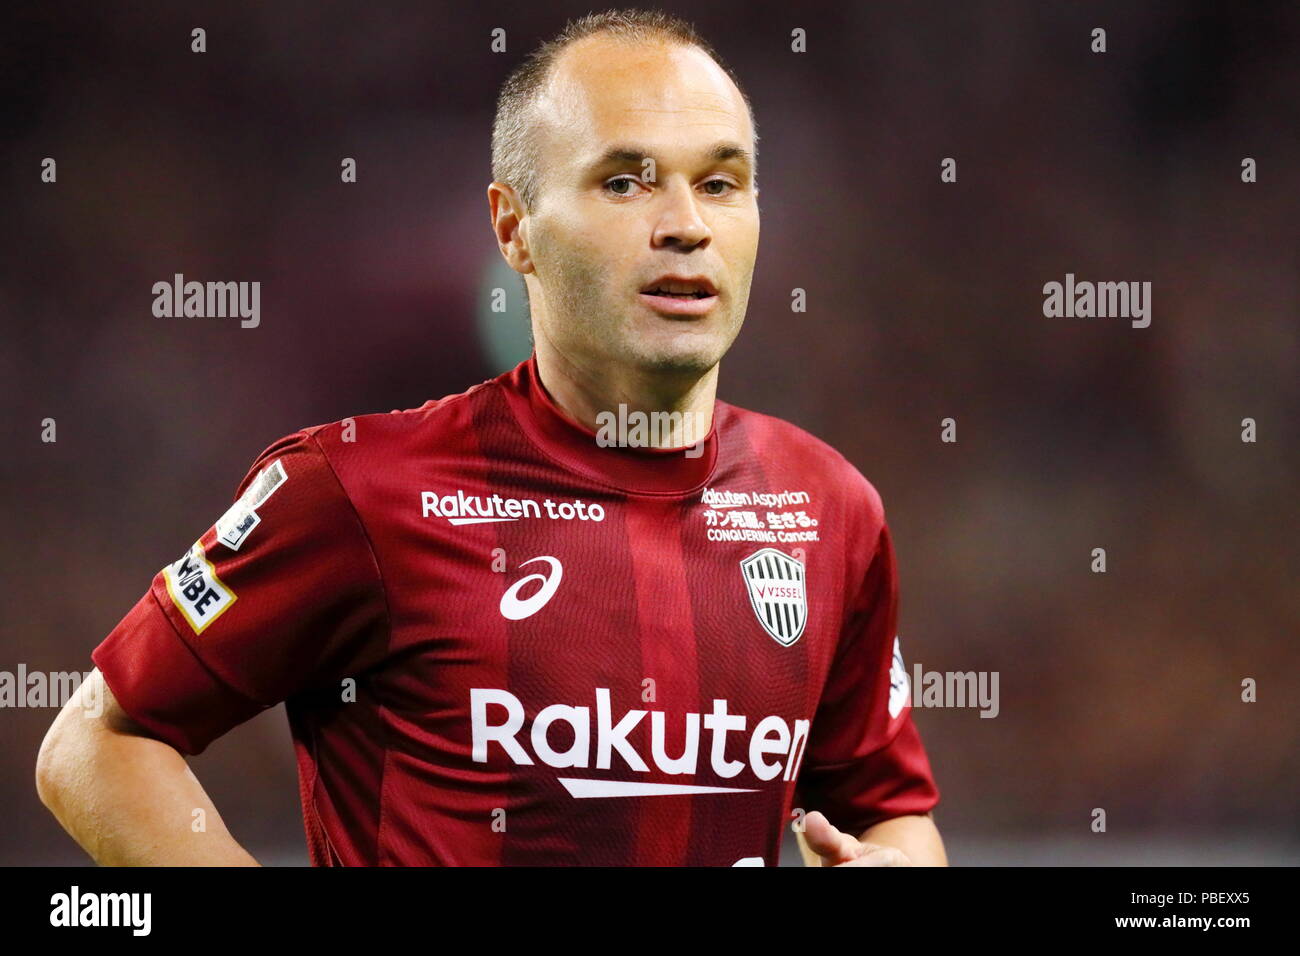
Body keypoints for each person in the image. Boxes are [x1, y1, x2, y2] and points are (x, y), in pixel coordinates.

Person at [36, 8, 945, 867]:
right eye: (624, 181)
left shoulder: (828, 510)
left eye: (720, 182)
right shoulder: (357, 490)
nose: (685, 225)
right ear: (514, 228)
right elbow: (100, 742)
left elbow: (888, 810)